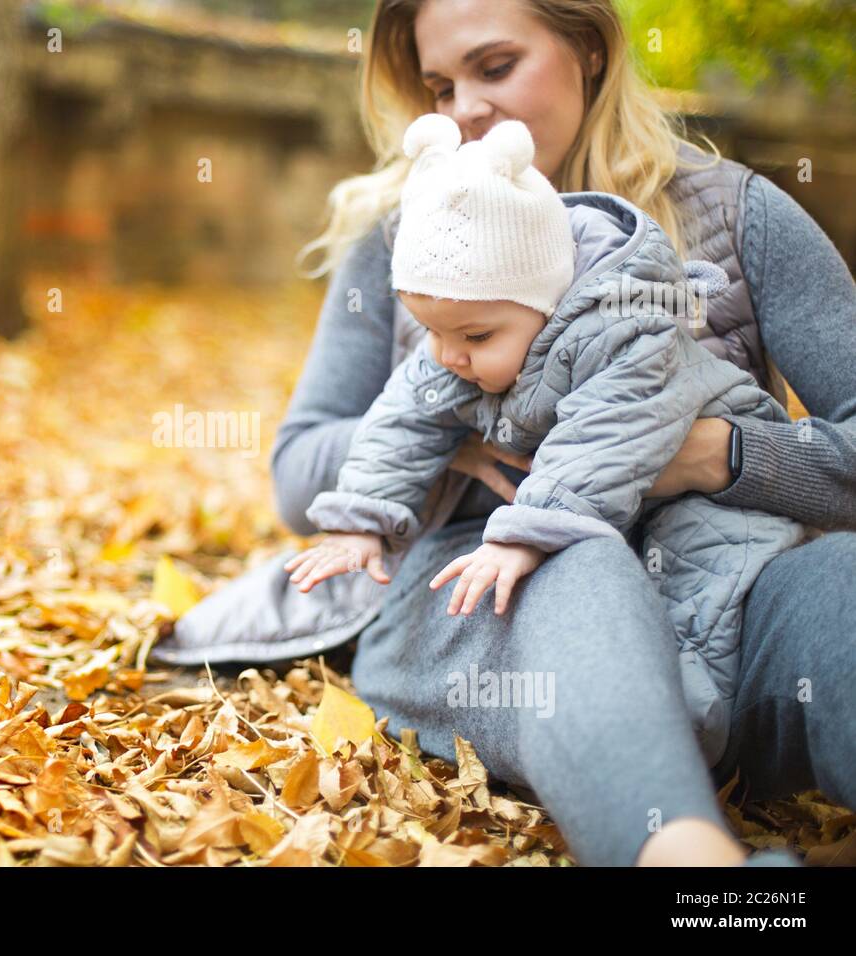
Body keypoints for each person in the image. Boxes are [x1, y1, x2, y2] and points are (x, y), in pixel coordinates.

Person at [152, 0, 856, 867]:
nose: (465, 109)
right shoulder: (406, 234)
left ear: (590, 50)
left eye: (495, 68)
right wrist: (455, 433)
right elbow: (300, 467)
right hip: (486, 610)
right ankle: (691, 872)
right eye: (440, 85)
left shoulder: (738, 215)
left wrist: (718, 456)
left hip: (730, 589)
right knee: (573, 559)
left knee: (844, 585)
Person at [284, 111, 810, 775]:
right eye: (430, 332)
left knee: (698, 587)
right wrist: (365, 518)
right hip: (612, 508)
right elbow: (401, 416)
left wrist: (522, 533)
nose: (447, 356)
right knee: (603, 594)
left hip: (709, 496)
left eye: (475, 338)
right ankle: (635, 742)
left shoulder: (623, 329)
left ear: (548, 301)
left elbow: (603, 436)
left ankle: (691, 729)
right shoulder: (463, 331)